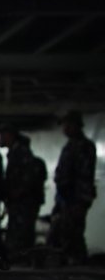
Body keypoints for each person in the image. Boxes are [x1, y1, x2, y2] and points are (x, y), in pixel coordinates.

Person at [49, 110, 97, 264]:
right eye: (64, 125)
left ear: (77, 125)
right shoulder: (70, 146)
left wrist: (80, 201)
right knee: (64, 233)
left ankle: (79, 263)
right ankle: (70, 263)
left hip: (76, 199)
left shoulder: (85, 146)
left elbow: (84, 176)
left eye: (68, 125)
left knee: (74, 233)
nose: (65, 128)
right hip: (65, 198)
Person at [0, 122, 46, 256]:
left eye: (1, 134)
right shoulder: (15, 152)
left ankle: (23, 257)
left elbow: (28, 178)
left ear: (9, 135)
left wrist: (16, 193)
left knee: (22, 233)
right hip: (19, 202)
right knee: (18, 232)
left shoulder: (21, 152)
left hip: (24, 202)